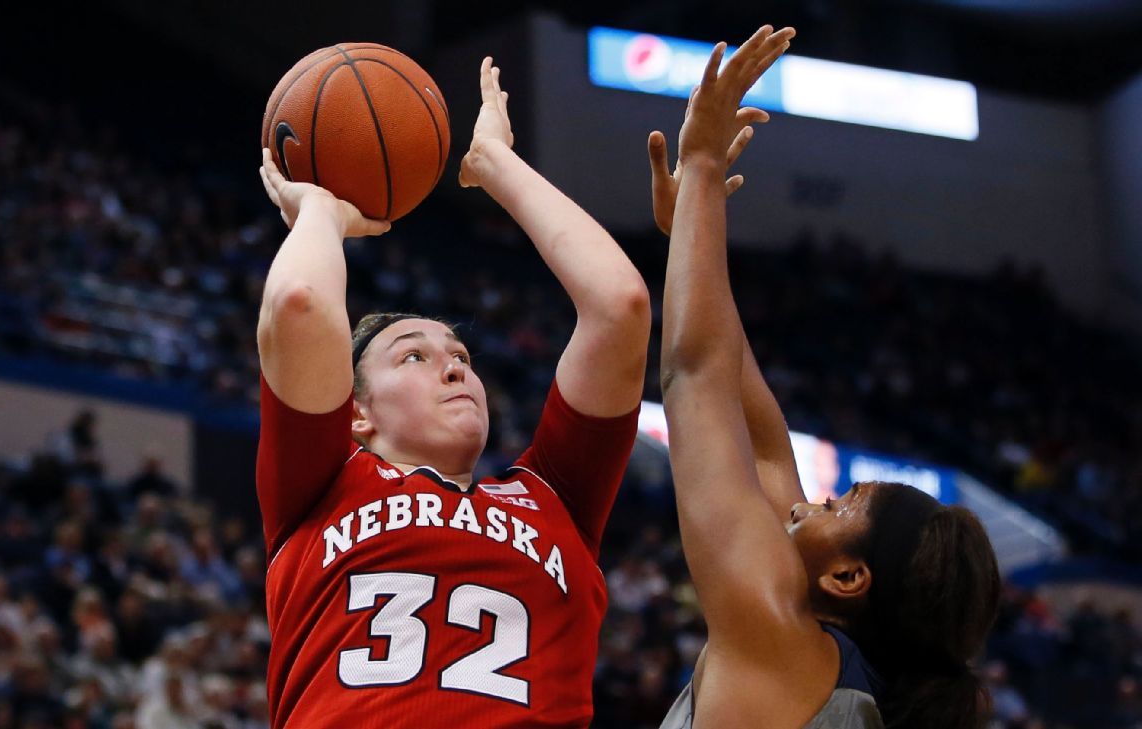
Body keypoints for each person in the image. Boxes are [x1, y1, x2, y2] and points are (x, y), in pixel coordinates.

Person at [254, 56, 649, 728]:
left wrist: (496, 163)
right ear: (356, 413)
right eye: (414, 355)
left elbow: (620, 304)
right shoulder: (321, 483)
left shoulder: (553, 495)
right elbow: (298, 302)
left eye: (461, 355)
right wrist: (319, 209)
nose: (455, 368)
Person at [651, 26, 1003, 728]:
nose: (811, 501)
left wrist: (700, 167)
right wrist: (692, 225)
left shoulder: (779, 639)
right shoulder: (832, 667)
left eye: (839, 505)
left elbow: (694, 376)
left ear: (848, 576)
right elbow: (763, 443)